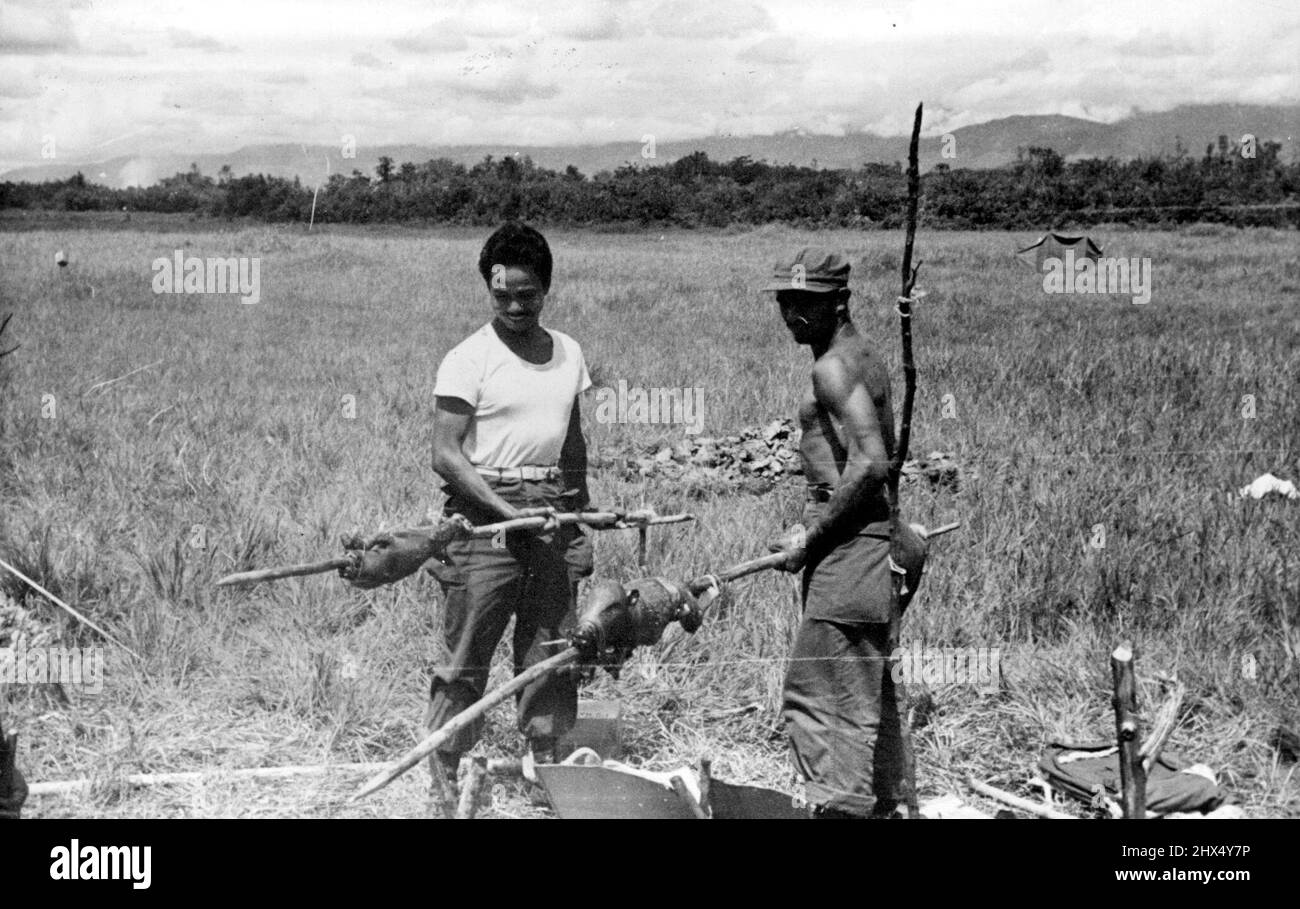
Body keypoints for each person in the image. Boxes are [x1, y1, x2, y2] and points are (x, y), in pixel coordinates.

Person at [423, 223, 594, 786]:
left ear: (547, 288)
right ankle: (445, 777)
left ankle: (548, 774)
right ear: (488, 289)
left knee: (551, 647)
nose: (516, 306)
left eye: (528, 294)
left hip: (549, 508)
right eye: (502, 295)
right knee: (468, 650)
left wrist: (578, 518)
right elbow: (446, 455)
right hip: (481, 515)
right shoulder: (468, 357)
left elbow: (572, 442)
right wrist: (504, 512)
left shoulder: (568, 352)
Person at [764, 246, 927, 819]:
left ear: (838, 302)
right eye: (785, 300)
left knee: (822, 699)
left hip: (853, 547)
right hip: (870, 544)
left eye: (803, 302)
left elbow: (869, 464)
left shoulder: (831, 366)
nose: (791, 314)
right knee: (863, 692)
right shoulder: (863, 355)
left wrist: (811, 538)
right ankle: (887, 804)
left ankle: (843, 811)